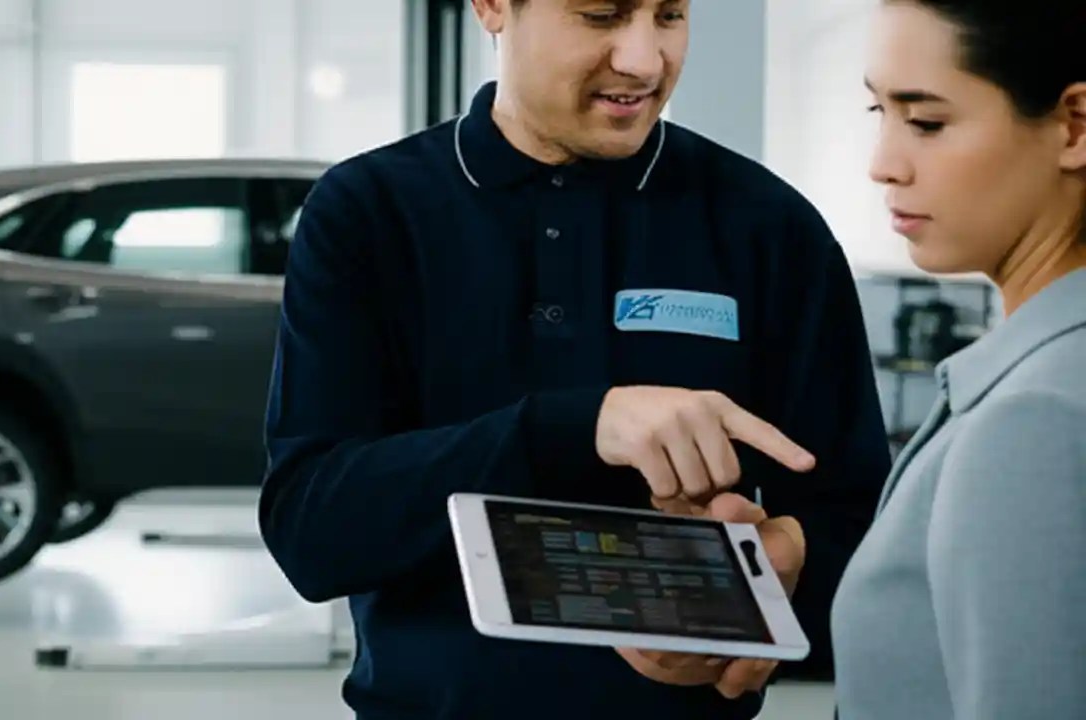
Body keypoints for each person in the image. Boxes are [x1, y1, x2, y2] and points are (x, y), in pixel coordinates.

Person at [260, 1, 890, 718]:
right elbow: (311, 531)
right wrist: (571, 429)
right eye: (600, 15)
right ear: (494, 7)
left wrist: (786, 566)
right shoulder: (368, 212)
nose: (644, 60)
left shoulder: (770, 227)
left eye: (671, 15)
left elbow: (863, 530)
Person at [832, 1, 1086, 718]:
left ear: (1074, 125)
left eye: (927, 122)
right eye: (876, 111)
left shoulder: (1035, 420)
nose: (884, 165)